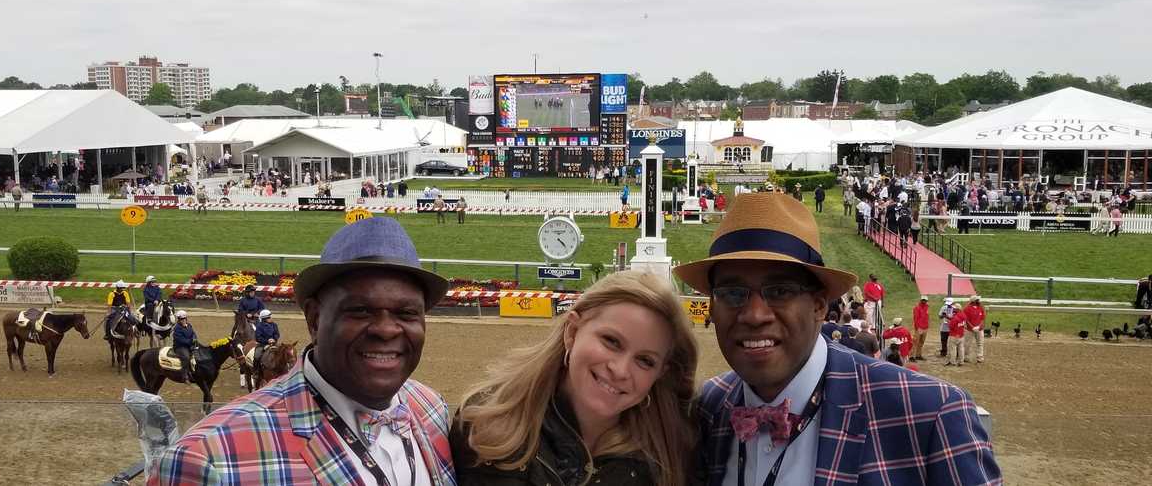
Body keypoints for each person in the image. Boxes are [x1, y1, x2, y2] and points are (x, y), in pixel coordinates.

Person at [676, 193, 999, 485]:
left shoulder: (928, 412)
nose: (754, 315)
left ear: (818, 306)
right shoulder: (709, 407)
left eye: (781, 291)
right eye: (732, 293)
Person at [150, 217, 455, 485]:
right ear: (314, 318)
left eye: (407, 314)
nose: (387, 330)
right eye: (361, 311)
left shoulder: (431, 408)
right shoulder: (206, 461)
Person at [451, 271, 699, 486]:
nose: (621, 370)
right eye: (611, 341)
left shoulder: (674, 447)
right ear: (572, 331)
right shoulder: (486, 425)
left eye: (645, 361)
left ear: (661, 373)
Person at [172, 310, 198, 383]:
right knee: (186, 357)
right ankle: (184, 376)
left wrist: (195, 339)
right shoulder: (176, 328)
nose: (183, 320)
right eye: (181, 319)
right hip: (180, 347)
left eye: (184, 318)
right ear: (178, 319)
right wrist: (190, 342)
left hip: (189, 344)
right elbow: (180, 340)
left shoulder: (189, 325)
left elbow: (193, 333)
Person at [964, 295, 987, 363]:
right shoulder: (967, 309)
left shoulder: (981, 308)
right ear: (974, 301)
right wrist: (972, 327)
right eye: (977, 300)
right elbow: (966, 320)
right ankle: (966, 357)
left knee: (980, 343)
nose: (979, 301)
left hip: (979, 329)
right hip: (969, 330)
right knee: (967, 343)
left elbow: (982, 318)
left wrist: (979, 326)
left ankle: (980, 357)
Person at [912, 295, 930, 361]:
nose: (924, 301)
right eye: (923, 300)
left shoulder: (927, 307)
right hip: (919, 327)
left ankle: (918, 355)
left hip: (925, 327)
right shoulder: (916, 308)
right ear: (921, 300)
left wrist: (927, 325)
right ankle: (912, 356)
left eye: (925, 300)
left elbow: (927, 316)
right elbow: (915, 318)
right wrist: (917, 327)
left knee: (921, 342)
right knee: (915, 342)